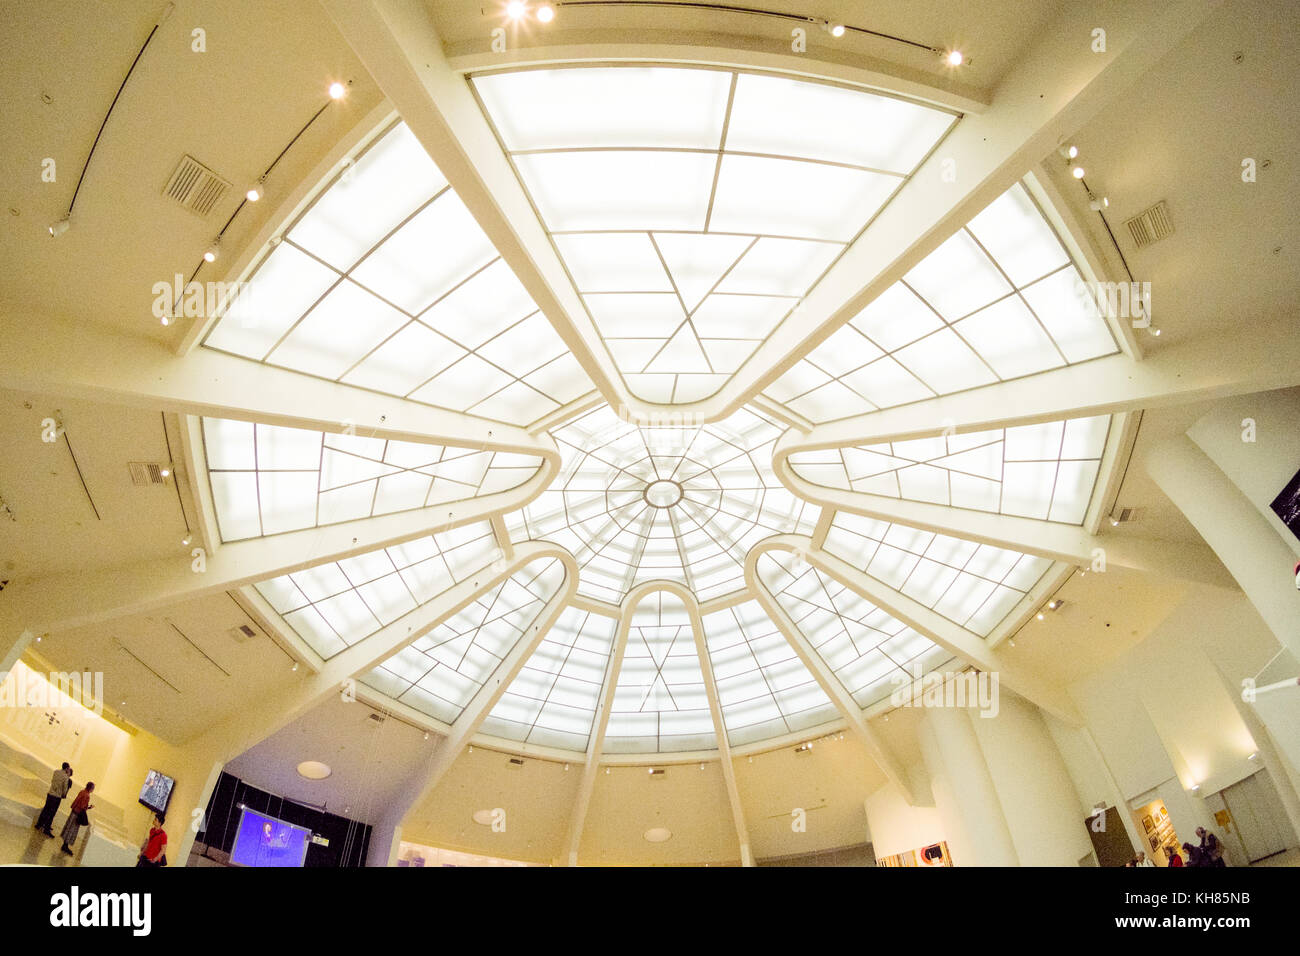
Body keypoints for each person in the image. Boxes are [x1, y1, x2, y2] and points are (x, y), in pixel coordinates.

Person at [34, 762, 73, 836]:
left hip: (50, 794)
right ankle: (46, 829)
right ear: (67, 768)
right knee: (52, 813)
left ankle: (39, 824)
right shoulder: (66, 777)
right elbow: (64, 789)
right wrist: (63, 795)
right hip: (57, 797)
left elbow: (52, 781)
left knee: (45, 809)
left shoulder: (56, 772)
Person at [59, 781, 94, 856]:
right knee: (72, 830)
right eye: (93, 788)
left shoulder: (82, 791)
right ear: (91, 788)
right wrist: (89, 807)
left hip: (73, 811)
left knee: (69, 827)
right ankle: (65, 846)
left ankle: (65, 844)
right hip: (77, 814)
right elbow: (82, 806)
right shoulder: (87, 795)